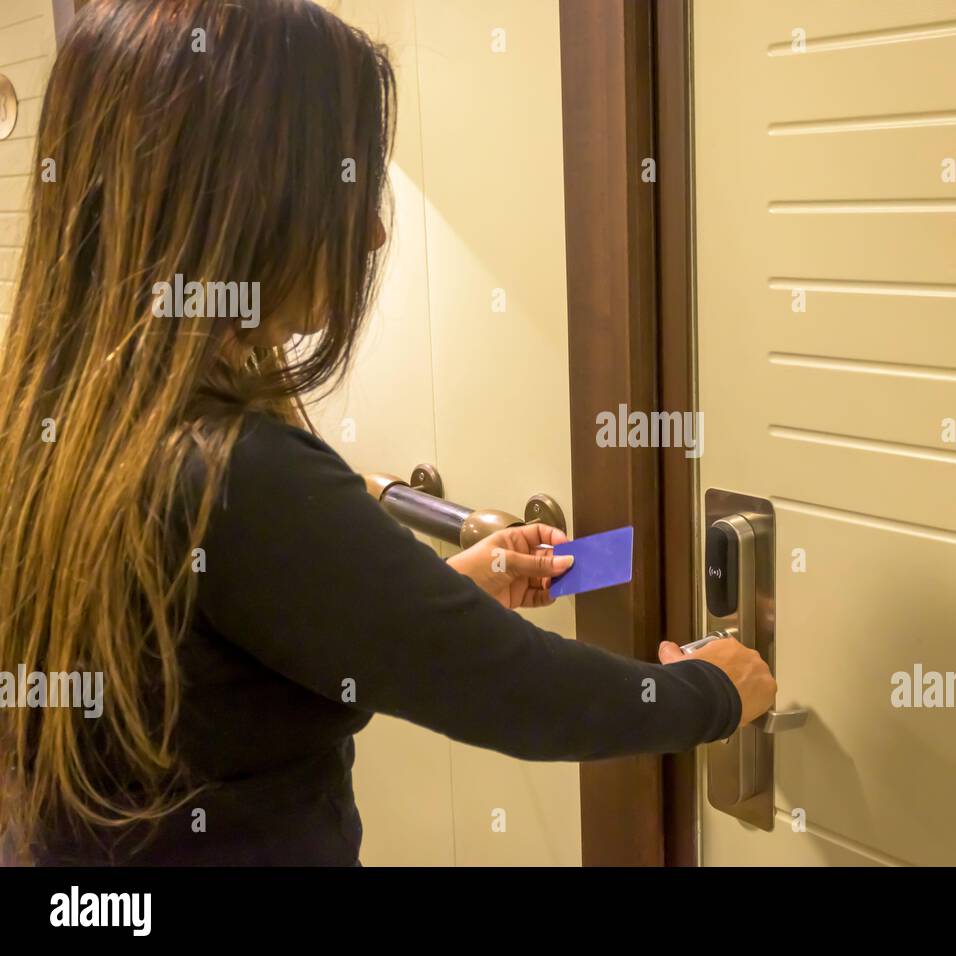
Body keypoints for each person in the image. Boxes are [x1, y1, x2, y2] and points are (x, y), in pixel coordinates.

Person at [0, 0, 775, 865]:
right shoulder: (233, 471)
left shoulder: (60, 426)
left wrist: (439, 595)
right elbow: (519, 693)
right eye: (340, 182)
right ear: (237, 194)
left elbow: (235, 662)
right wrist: (715, 689)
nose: (369, 230)